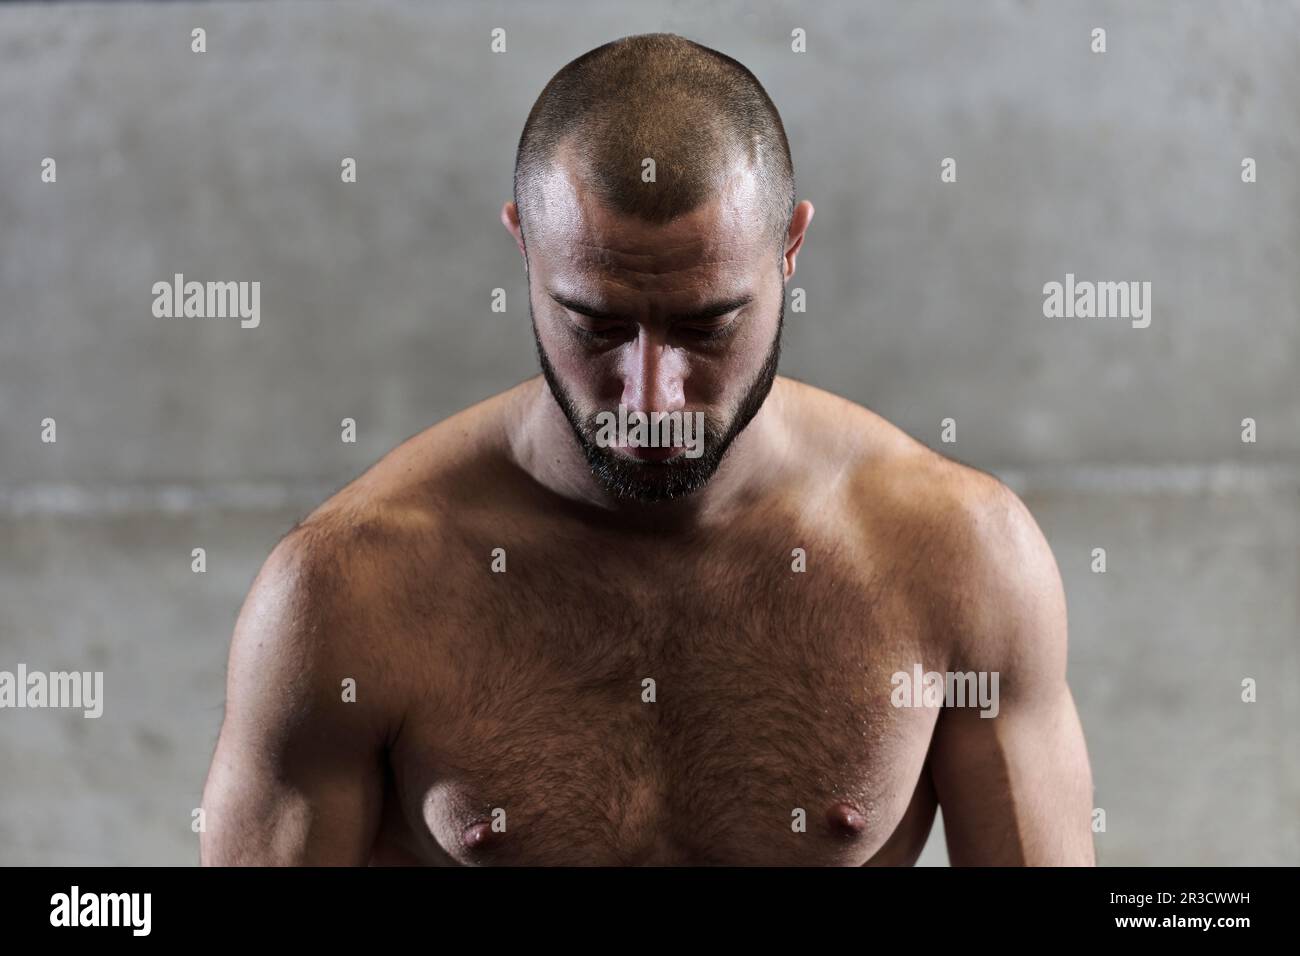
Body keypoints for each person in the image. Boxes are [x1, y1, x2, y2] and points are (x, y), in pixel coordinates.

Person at [201, 32, 1095, 866]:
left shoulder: (960, 557)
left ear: (790, 249)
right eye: (597, 323)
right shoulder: (347, 590)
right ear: (524, 247)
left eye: (707, 325)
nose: (652, 397)